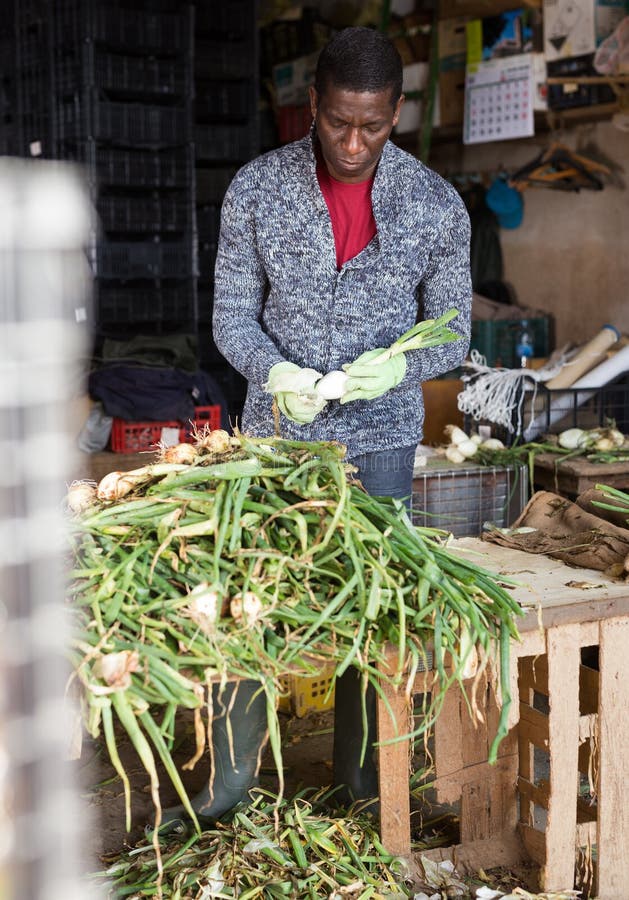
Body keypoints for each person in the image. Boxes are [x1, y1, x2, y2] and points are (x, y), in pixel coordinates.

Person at [176, 24, 473, 825]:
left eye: (371, 125)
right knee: (248, 603)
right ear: (312, 103)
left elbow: (450, 329)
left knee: (371, 614)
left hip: (379, 441)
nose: (351, 141)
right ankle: (228, 785)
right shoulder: (257, 189)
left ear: (396, 113)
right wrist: (274, 372)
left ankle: (363, 785)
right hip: (274, 440)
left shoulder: (434, 204)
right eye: (337, 120)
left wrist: (397, 367)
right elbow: (233, 314)